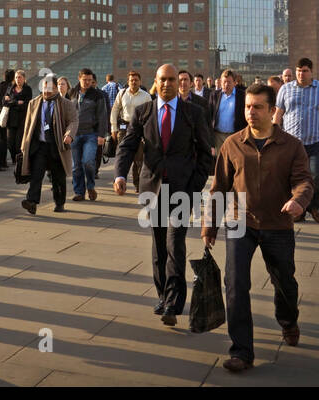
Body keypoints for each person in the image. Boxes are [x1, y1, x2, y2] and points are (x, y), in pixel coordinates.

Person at [204, 82, 313, 371]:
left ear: (272, 110)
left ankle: (288, 320)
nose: (250, 112)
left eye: (257, 107)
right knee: (235, 285)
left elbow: (304, 180)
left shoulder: (291, 146)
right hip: (241, 223)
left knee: (285, 282)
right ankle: (241, 351)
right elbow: (219, 188)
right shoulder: (232, 144)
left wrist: (298, 200)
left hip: (278, 225)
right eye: (247, 107)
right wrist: (210, 225)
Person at [113, 64, 213, 325]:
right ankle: (162, 296)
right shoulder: (143, 112)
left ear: (179, 83)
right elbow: (128, 145)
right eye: (163, 80)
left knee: (174, 244)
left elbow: (205, 153)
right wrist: (120, 175)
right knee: (158, 246)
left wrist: (195, 186)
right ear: (155, 82)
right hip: (152, 188)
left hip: (182, 189)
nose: (168, 84)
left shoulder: (193, 113)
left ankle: (173, 303)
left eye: (172, 79)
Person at [273, 57, 319, 225]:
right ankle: (299, 209)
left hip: (316, 142)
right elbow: (278, 114)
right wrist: (273, 135)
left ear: (311, 72)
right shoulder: (285, 90)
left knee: (317, 176)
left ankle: (314, 207)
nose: (301, 74)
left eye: (305, 71)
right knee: (292, 178)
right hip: (291, 144)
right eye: (299, 71)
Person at [19, 74, 77, 214]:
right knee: (36, 175)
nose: (47, 92)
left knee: (58, 177)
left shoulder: (66, 104)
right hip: (40, 146)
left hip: (57, 146)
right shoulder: (34, 103)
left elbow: (73, 121)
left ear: (56, 89)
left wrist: (69, 134)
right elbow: (27, 125)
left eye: (50, 89)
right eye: (45, 89)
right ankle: (31, 202)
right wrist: (23, 145)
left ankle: (59, 203)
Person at [70, 69, 110, 201]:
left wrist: (101, 135)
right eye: (85, 79)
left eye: (90, 80)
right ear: (79, 78)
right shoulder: (72, 93)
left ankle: (91, 186)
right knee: (76, 167)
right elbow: (67, 114)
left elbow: (103, 116)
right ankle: (79, 192)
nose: (87, 82)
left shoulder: (98, 95)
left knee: (87, 162)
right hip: (74, 134)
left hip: (91, 134)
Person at [109, 71, 152, 191]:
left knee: (139, 158)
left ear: (140, 81)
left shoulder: (146, 96)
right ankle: (118, 181)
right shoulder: (122, 93)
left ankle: (138, 184)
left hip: (139, 128)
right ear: (128, 82)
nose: (134, 82)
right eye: (131, 80)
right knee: (122, 154)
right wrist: (114, 129)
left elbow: (150, 115)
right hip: (124, 127)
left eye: (136, 80)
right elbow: (115, 110)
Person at [2, 70, 33, 183]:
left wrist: (12, 101)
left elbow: (27, 104)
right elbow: (4, 102)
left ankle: (19, 164)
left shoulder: (27, 89)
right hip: (11, 120)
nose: (18, 79)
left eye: (20, 77)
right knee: (10, 142)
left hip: (22, 120)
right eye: (16, 77)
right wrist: (16, 103)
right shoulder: (10, 88)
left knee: (19, 142)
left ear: (24, 78)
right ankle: (16, 160)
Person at [207, 68, 246, 155]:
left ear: (235, 82)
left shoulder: (242, 96)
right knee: (220, 161)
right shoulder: (214, 95)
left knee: (234, 160)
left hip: (235, 135)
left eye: (229, 82)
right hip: (218, 136)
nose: (226, 84)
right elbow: (209, 115)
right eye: (224, 82)